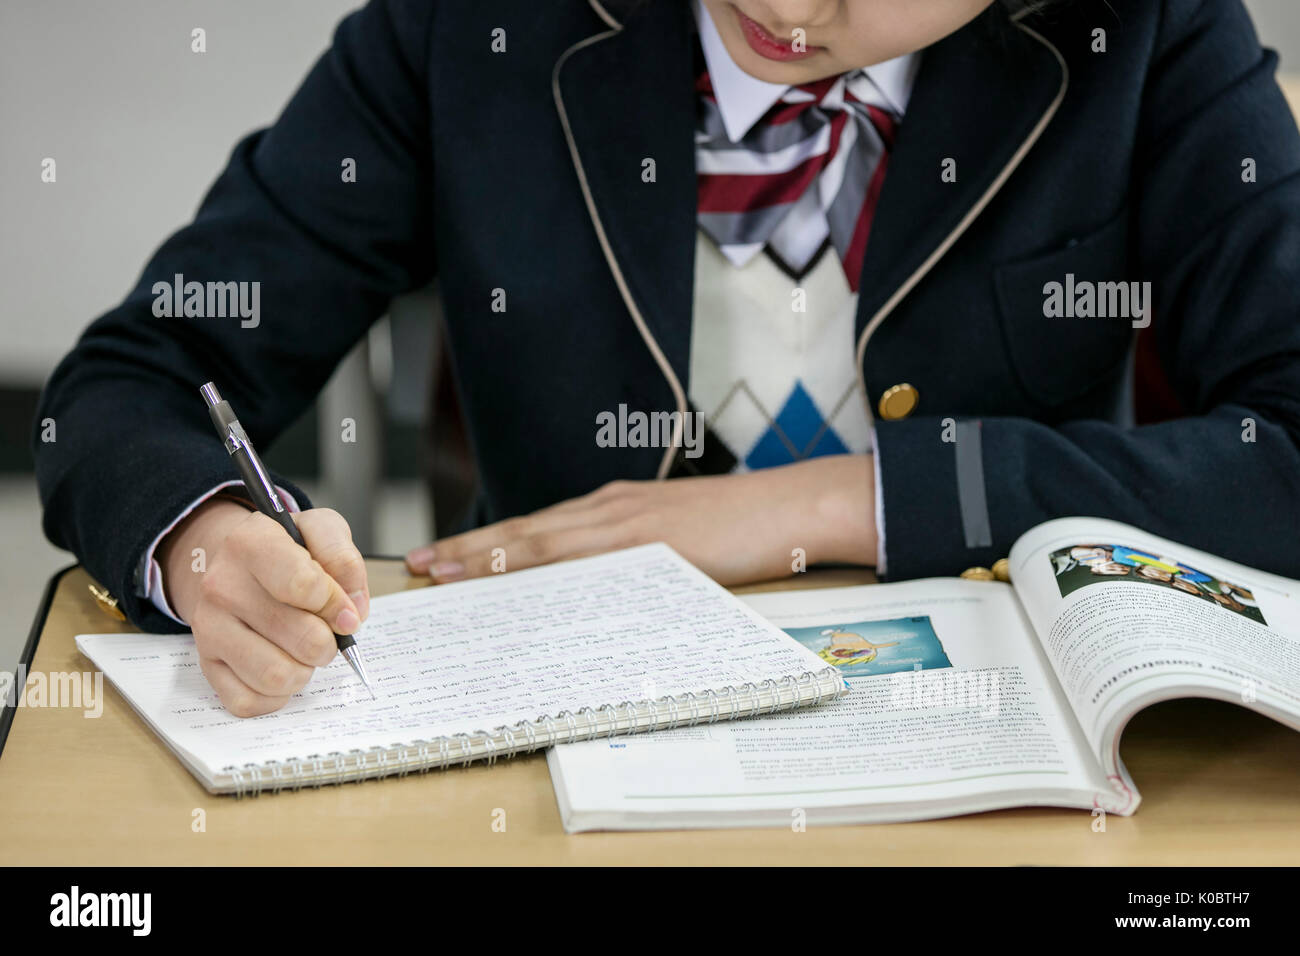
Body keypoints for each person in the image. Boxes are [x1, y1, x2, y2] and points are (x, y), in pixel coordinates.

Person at [34, 0, 1300, 715]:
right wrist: (203, 538)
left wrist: (826, 501)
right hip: (542, 746)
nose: (790, 6)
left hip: (1009, 753)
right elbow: (133, 379)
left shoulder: (1145, 34)